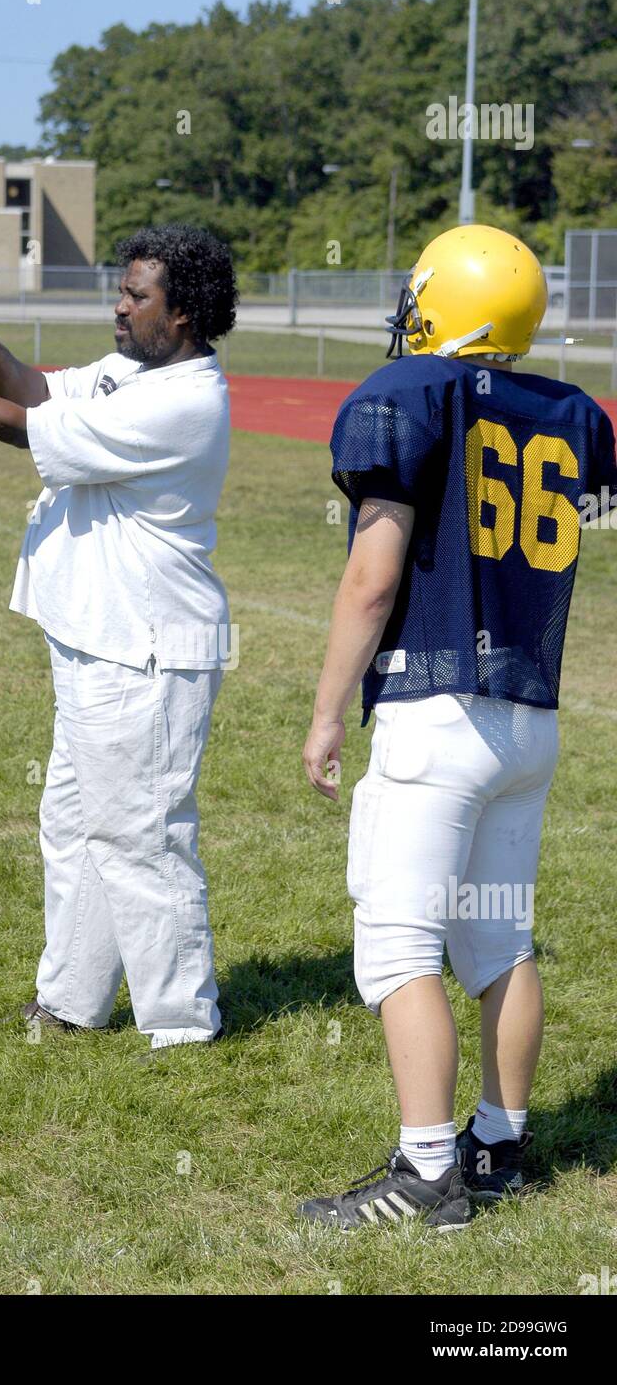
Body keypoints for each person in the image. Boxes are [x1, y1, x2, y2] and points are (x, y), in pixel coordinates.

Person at [298, 224, 617, 1230]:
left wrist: (322, 711)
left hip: (436, 711)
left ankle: (427, 1172)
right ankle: (499, 1141)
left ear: (447, 302)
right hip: (527, 721)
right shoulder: (575, 412)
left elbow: (372, 575)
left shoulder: (406, 396)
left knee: (398, 946)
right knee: (499, 940)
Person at [0, 223, 238, 1050]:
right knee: (76, 824)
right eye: (122, 288)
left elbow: (23, 429)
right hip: (93, 639)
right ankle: (72, 1000)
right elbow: (39, 392)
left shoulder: (184, 401)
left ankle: (183, 1023)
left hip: (143, 650)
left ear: (183, 315)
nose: (119, 305)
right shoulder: (133, 369)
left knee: (142, 836)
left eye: (136, 296)